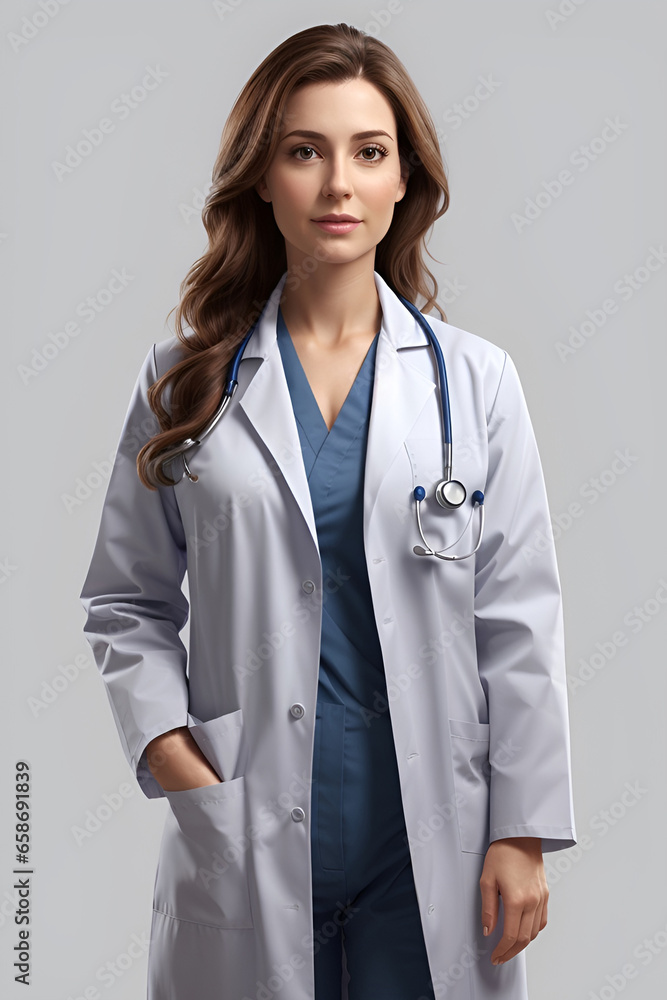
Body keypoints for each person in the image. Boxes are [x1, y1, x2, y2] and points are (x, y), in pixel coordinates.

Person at [79, 22, 577, 1000]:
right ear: (262, 178)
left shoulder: (473, 383)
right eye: (304, 151)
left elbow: (518, 619)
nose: (337, 184)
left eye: (369, 152)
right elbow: (123, 602)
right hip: (245, 833)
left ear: (405, 182)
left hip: (427, 848)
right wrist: (183, 769)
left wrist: (521, 829)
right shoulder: (185, 383)